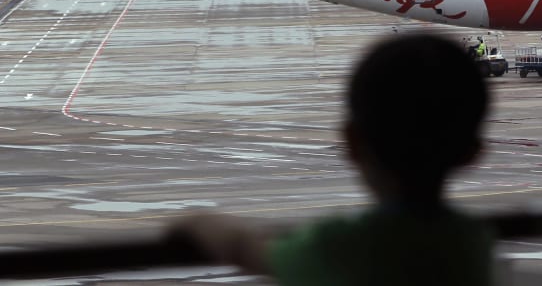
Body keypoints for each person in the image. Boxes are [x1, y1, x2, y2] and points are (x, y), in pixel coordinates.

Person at [169, 33, 493, 285]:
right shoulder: (471, 240)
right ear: (473, 152)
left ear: (351, 143)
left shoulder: (338, 246)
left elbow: (242, 247)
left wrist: (195, 220)